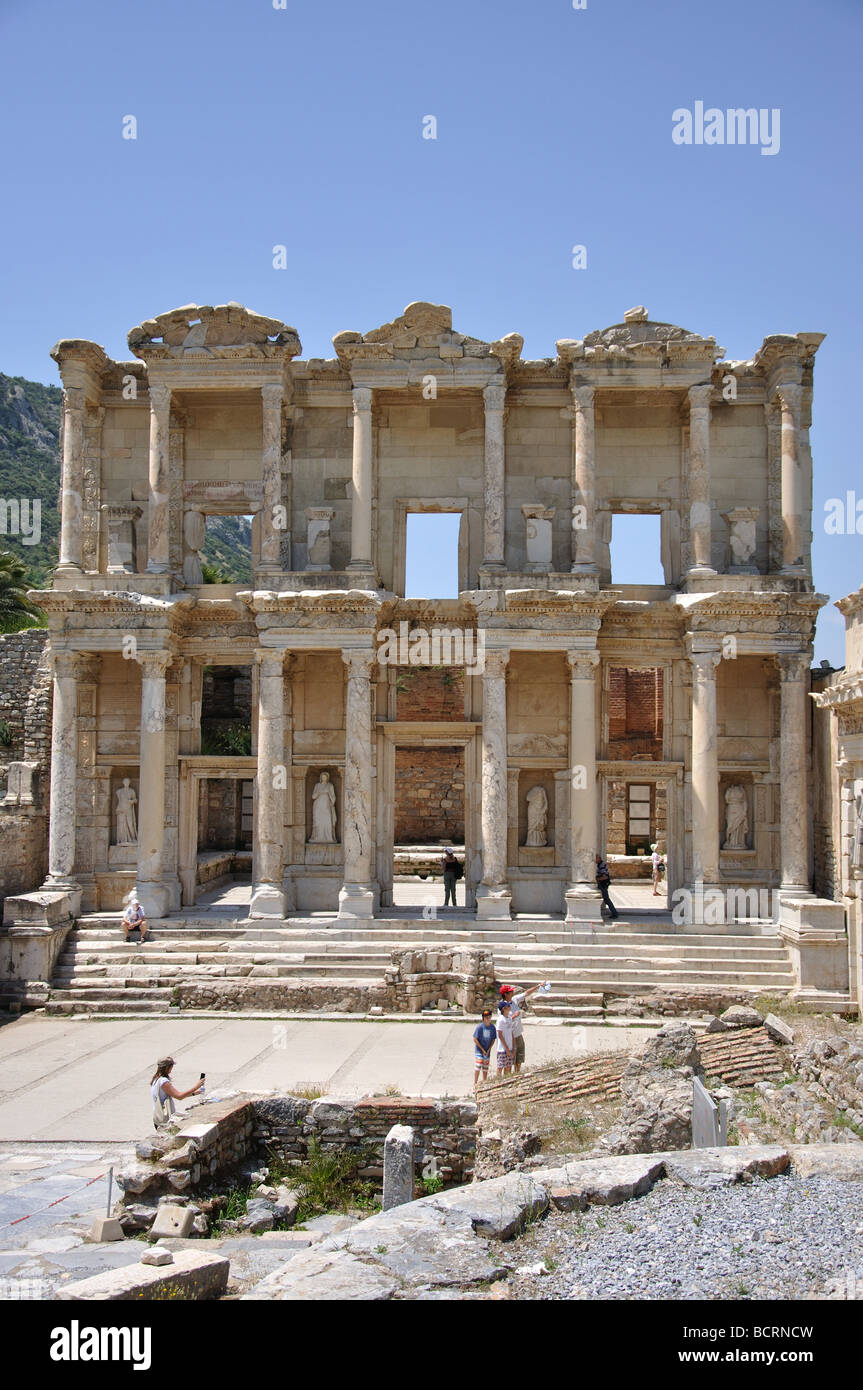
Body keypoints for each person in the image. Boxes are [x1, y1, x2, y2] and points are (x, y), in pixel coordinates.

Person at [497, 982, 542, 1073]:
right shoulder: (502, 1006)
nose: (512, 993)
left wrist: (538, 986)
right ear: (505, 994)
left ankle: (517, 1072)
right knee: (510, 1059)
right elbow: (504, 1020)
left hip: (518, 1034)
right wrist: (514, 1016)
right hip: (510, 1036)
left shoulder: (514, 1000)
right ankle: (507, 1077)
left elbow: (526, 993)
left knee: (519, 1056)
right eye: (510, 992)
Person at [151, 1056, 205, 1130]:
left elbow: (173, 1094)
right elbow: (179, 1096)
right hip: (164, 1119)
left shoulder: (156, 1079)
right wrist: (196, 1086)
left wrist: (194, 1093)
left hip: (159, 1118)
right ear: (167, 1067)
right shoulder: (163, 1082)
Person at [472, 1009, 497, 1087]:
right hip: (480, 1050)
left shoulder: (492, 1027)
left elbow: (493, 1039)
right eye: (486, 1017)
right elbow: (475, 1039)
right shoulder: (480, 1027)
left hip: (487, 1050)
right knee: (478, 1065)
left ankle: (484, 1082)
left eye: (489, 1017)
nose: (488, 1019)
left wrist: (489, 1049)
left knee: (485, 1067)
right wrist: (482, 1049)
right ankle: (475, 1083)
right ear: (483, 1018)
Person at [595, 853, 618, 919]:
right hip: (602, 884)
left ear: (598, 858)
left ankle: (614, 913)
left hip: (603, 884)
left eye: (595, 859)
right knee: (605, 899)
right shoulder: (599, 865)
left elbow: (605, 877)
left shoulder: (601, 865)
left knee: (606, 899)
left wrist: (596, 879)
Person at [495, 1001, 515, 1076]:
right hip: (502, 1049)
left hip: (510, 1047)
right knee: (500, 1067)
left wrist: (513, 1047)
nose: (510, 1007)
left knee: (508, 1067)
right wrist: (506, 1048)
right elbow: (500, 1035)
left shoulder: (509, 1018)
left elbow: (511, 1033)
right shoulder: (500, 1020)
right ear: (504, 1009)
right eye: (508, 1006)